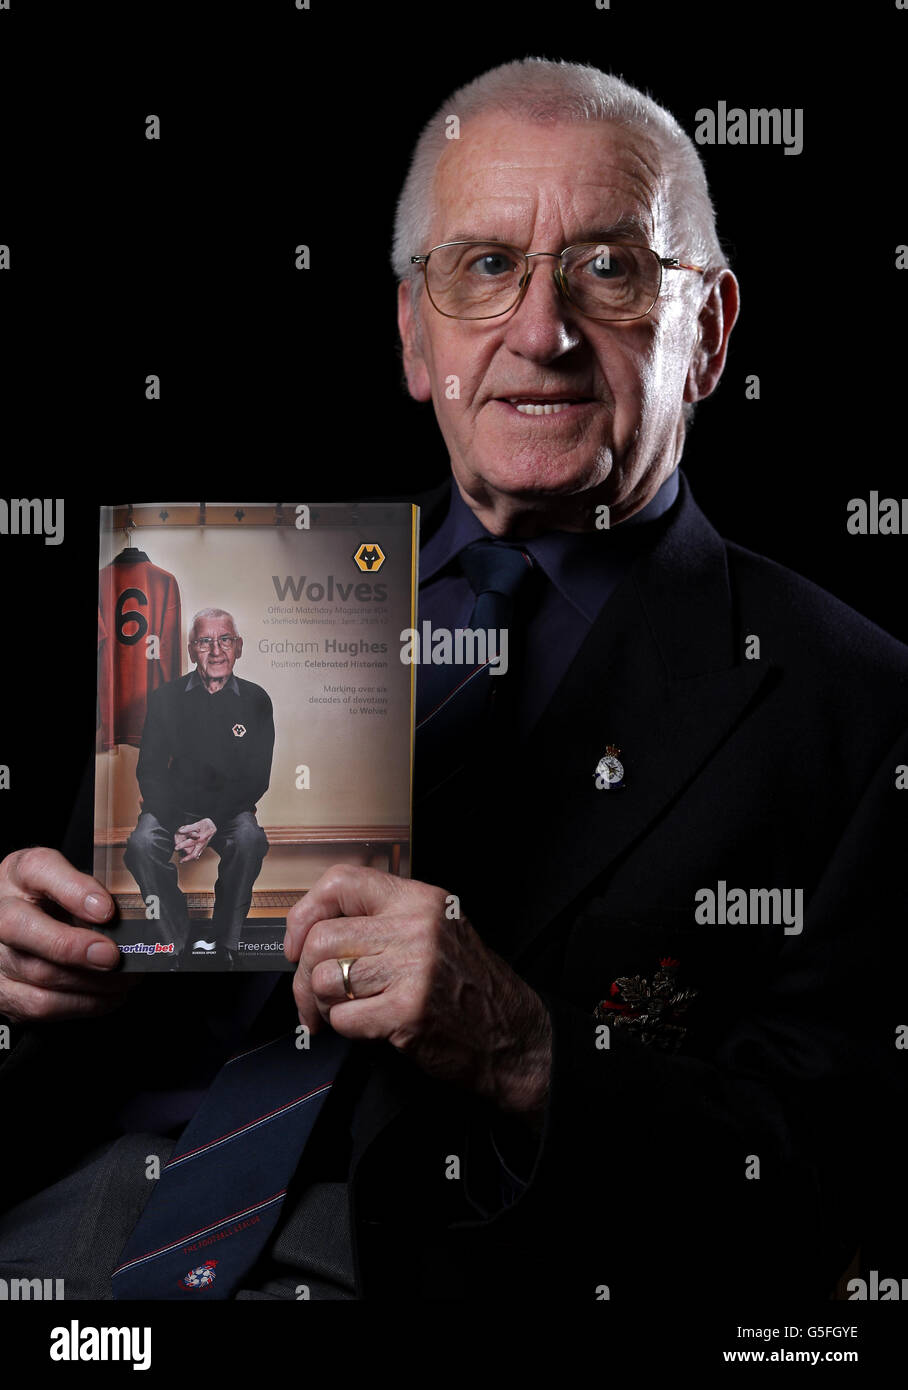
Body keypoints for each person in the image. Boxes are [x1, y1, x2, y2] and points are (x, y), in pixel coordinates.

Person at [0, 58, 905, 1303]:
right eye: (483, 268)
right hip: (69, 1224)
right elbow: (66, 1013)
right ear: (413, 336)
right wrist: (30, 976)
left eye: (608, 268)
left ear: (708, 335)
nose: (539, 333)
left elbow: (824, 1190)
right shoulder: (230, 596)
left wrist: (523, 1049)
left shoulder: (852, 707)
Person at [123, 607, 274, 969]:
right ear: (192, 650)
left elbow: (256, 777)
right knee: (141, 844)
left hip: (230, 810)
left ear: (238, 647)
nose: (216, 650)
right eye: (205, 641)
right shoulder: (165, 698)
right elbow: (150, 771)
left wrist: (213, 823)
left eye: (225, 640)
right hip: (171, 808)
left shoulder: (256, 700)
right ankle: (175, 938)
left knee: (250, 840)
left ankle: (226, 941)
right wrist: (175, 822)